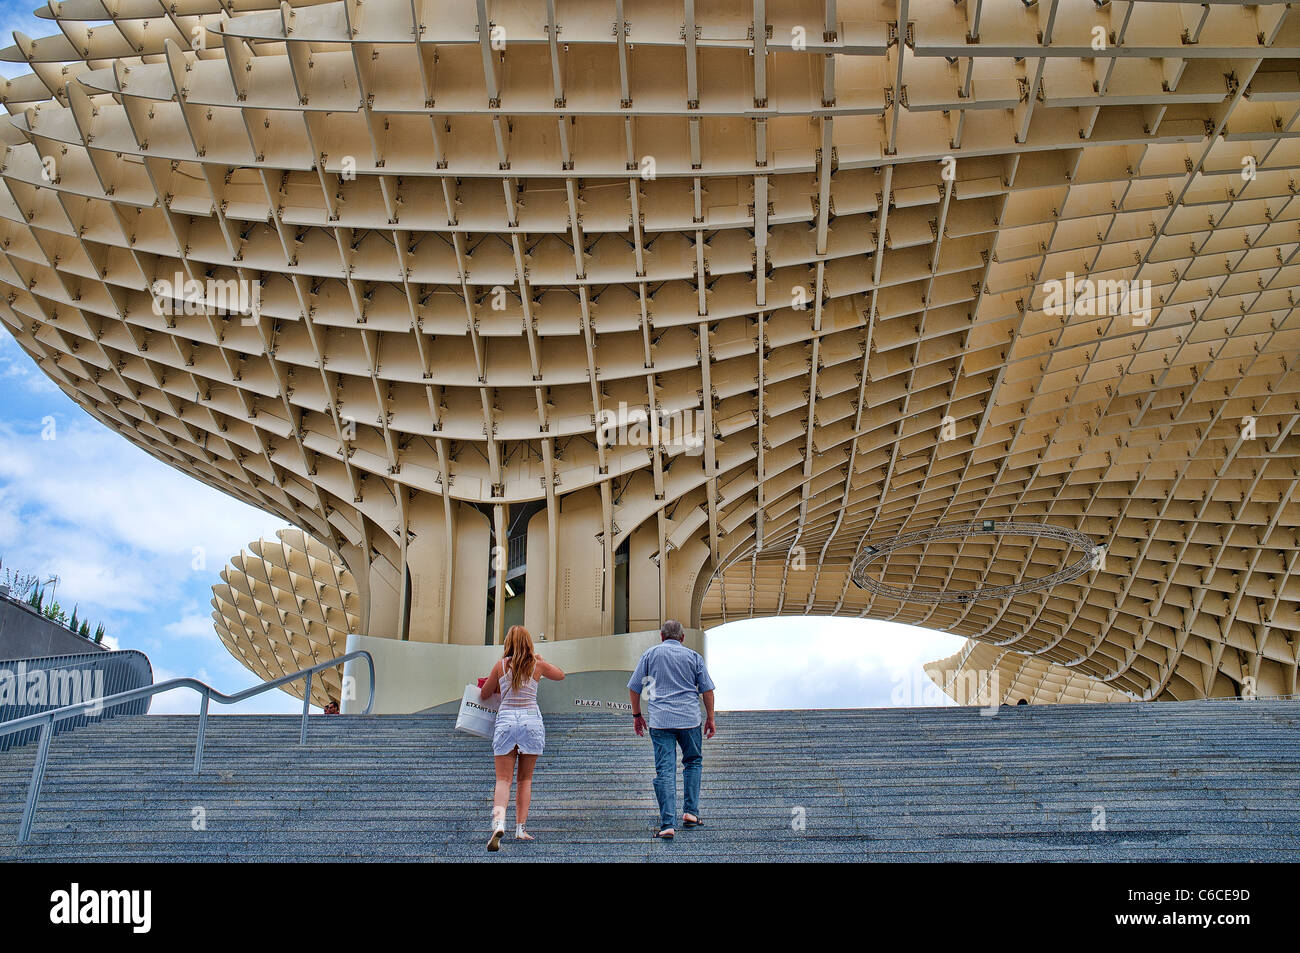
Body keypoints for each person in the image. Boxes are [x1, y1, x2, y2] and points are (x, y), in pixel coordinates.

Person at [478, 625, 565, 852]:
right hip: (530, 722)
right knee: (524, 779)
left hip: (506, 721)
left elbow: (484, 694)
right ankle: (520, 829)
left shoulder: (501, 665)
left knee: (503, 780)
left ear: (508, 642)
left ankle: (498, 823)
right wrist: (540, 658)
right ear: (528, 643)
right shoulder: (537, 665)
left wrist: (496, 682)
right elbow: (560, 674)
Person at [627, 619, 716, 839]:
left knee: (665, 770)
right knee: (693, 761)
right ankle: (691, 813)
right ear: (682, 638)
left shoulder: (650, 654)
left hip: (660, 721)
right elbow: (707, 691)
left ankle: (667, 824)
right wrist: (711, 719)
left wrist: (637, 715)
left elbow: (634, 687)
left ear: (661, 636)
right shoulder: (694, 657)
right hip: (690, 720)